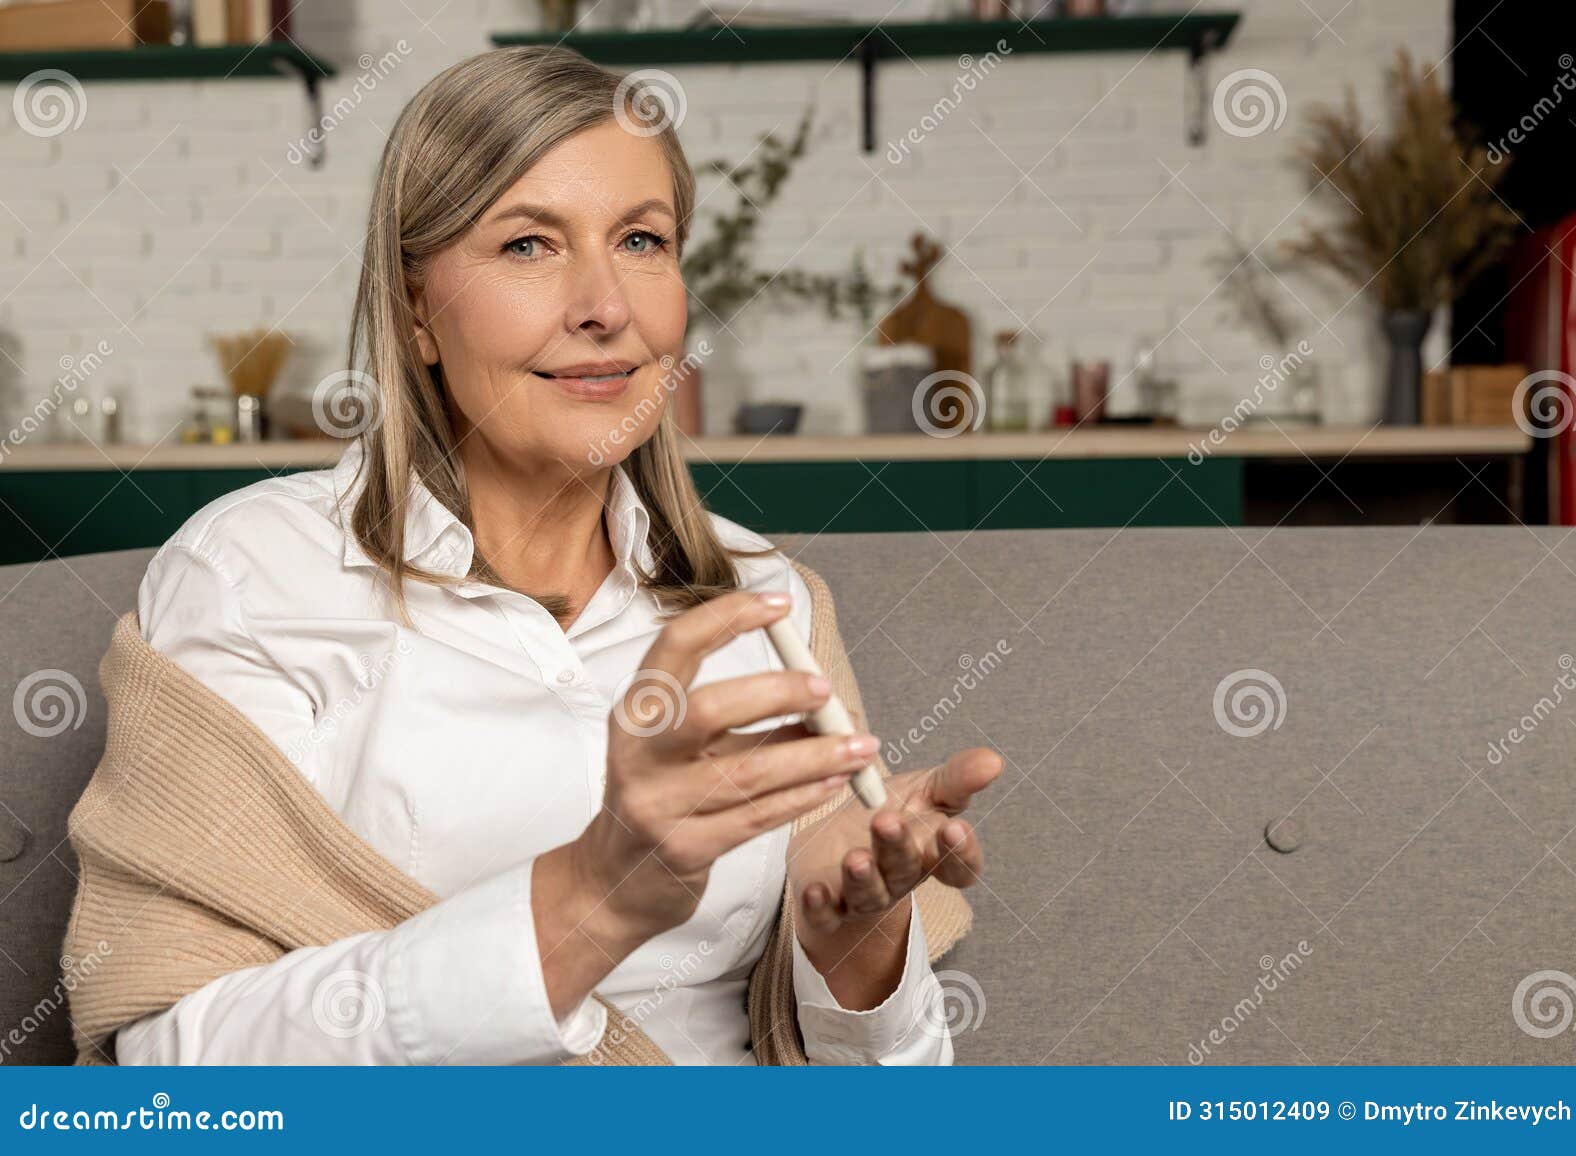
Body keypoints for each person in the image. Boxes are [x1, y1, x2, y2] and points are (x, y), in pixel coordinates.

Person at [114, 45, 1003, 1065]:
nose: (605, 306)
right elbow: (172, 1069)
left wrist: (853, 944)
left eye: (641, 239)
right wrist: (589, 900)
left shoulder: (762, 594)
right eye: (529, 245)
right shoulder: (255, 576)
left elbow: (894, 1096)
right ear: (415, 311)